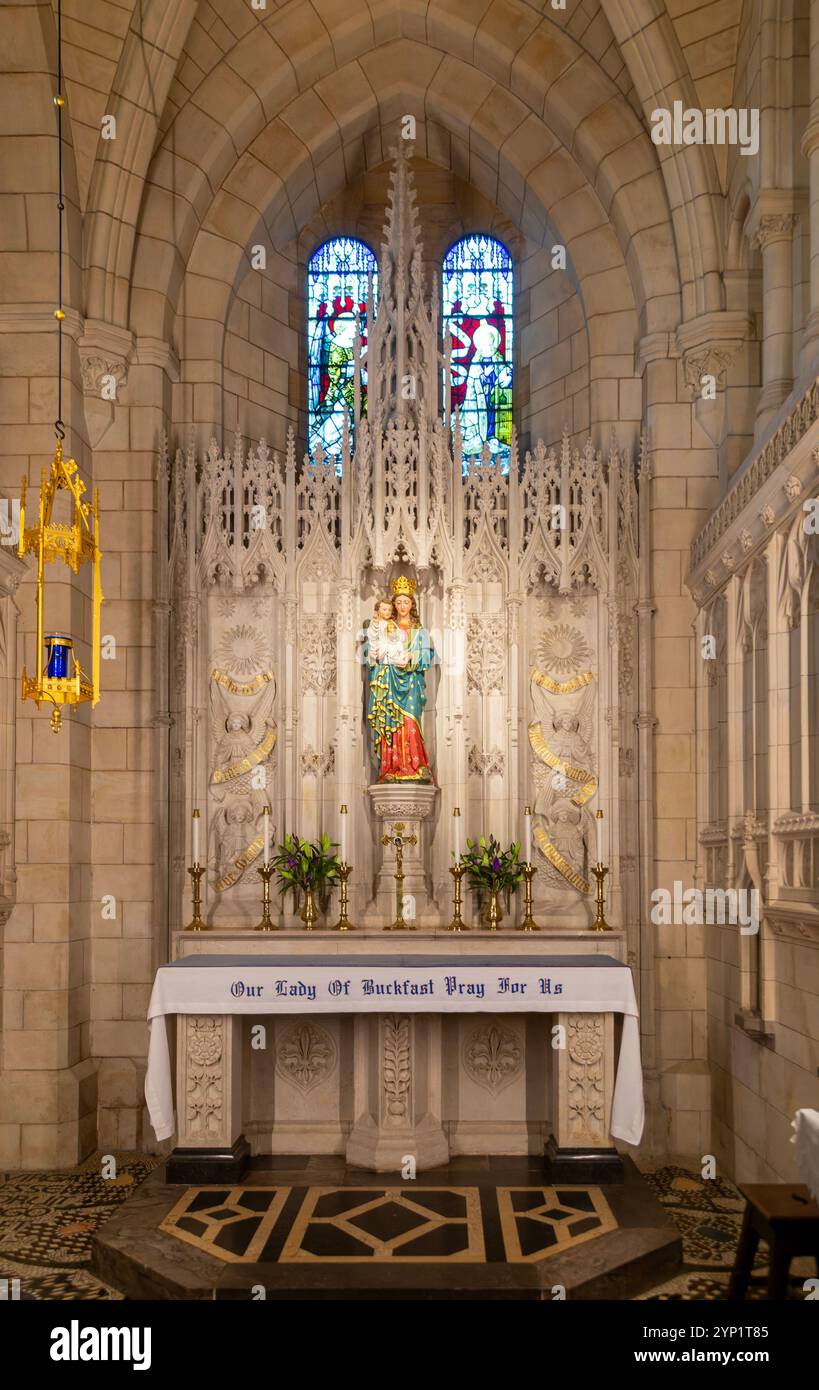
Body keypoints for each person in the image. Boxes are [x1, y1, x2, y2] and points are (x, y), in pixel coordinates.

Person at [367, 576, 434, 782]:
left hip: (411, 684)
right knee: (391, 722)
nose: (402, 605)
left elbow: (428, 655)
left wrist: (412, 656)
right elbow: (374, 650)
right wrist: (375, 656)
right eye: (398, 602)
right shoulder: (386, 626)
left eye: (406, 601)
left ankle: (414, 766)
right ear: (393, 605)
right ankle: (390, 768)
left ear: (412, 604)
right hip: (389, 680)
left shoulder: (419, 631)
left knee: (410, 723)